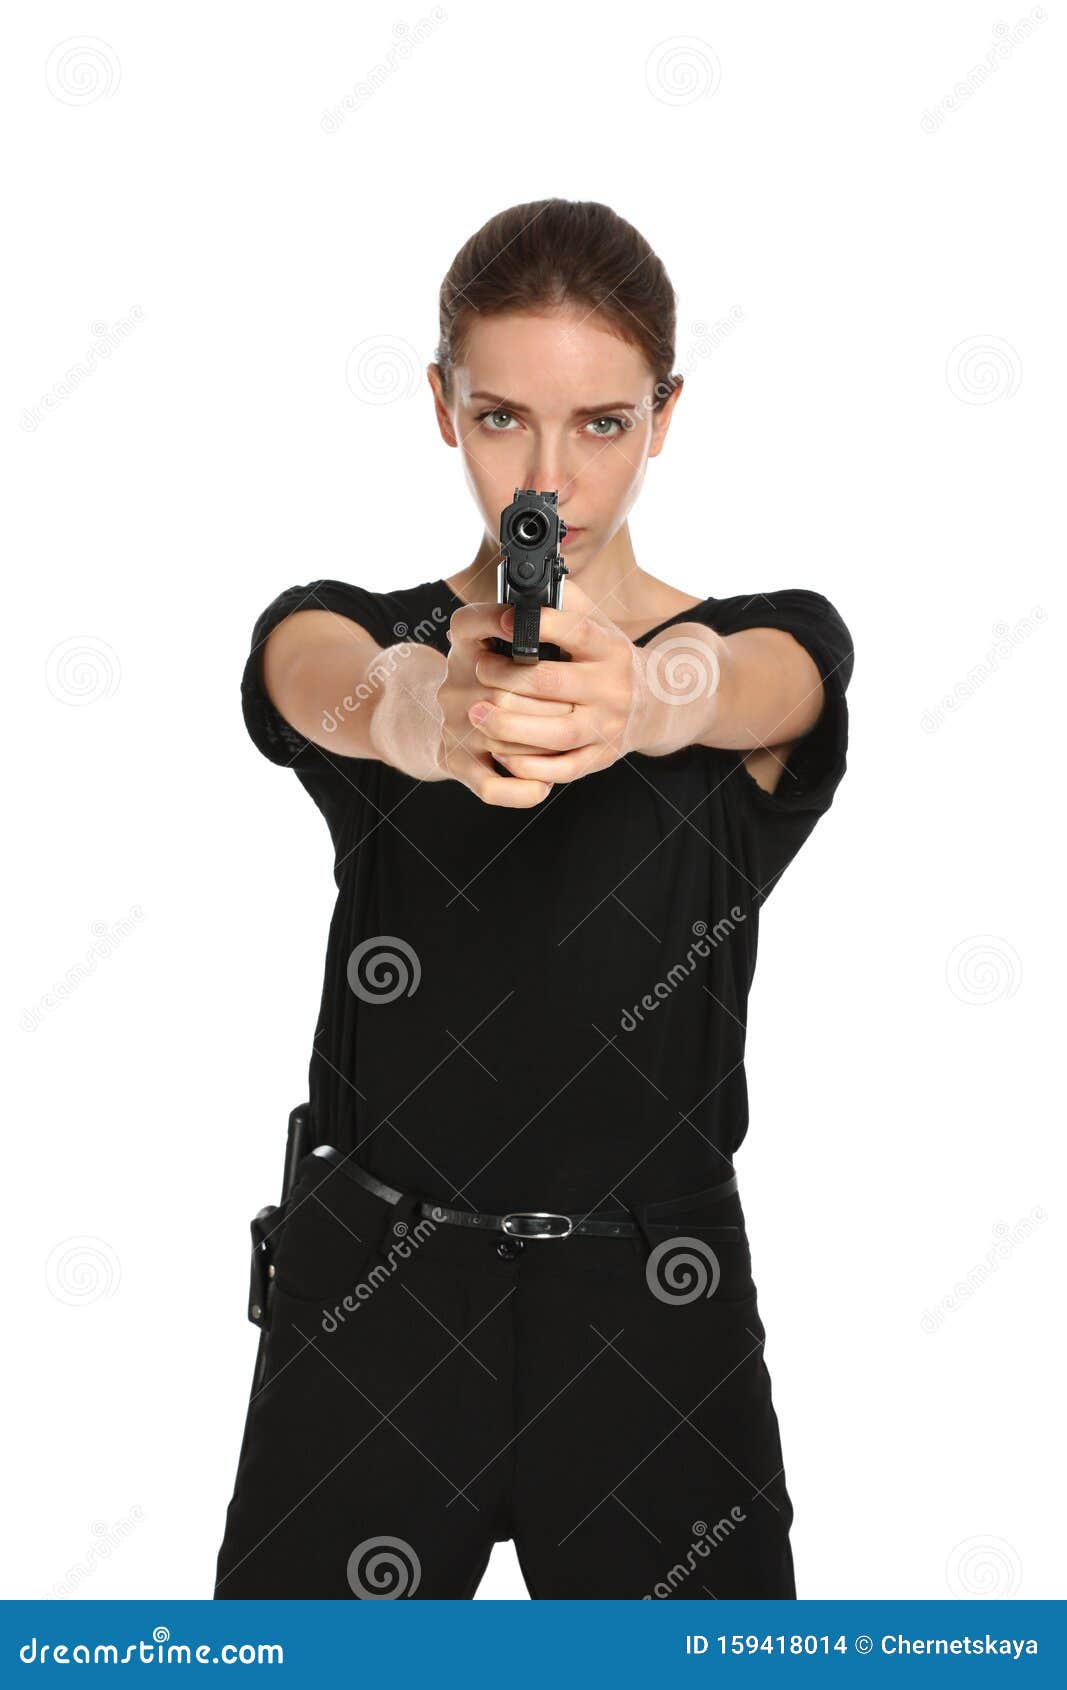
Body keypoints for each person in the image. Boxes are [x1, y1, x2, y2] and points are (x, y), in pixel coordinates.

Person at [213, 198, 854, 1601]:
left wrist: (643, 694)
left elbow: (768, 678)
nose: (546, 478)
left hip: (654, 1309)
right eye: (503, 417)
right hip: (377, 1300)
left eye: (601, 425)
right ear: (444, 407)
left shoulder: (762, 649)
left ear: (665, 415)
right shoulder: (368, 632)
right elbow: (304, 665)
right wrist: (414, 710)